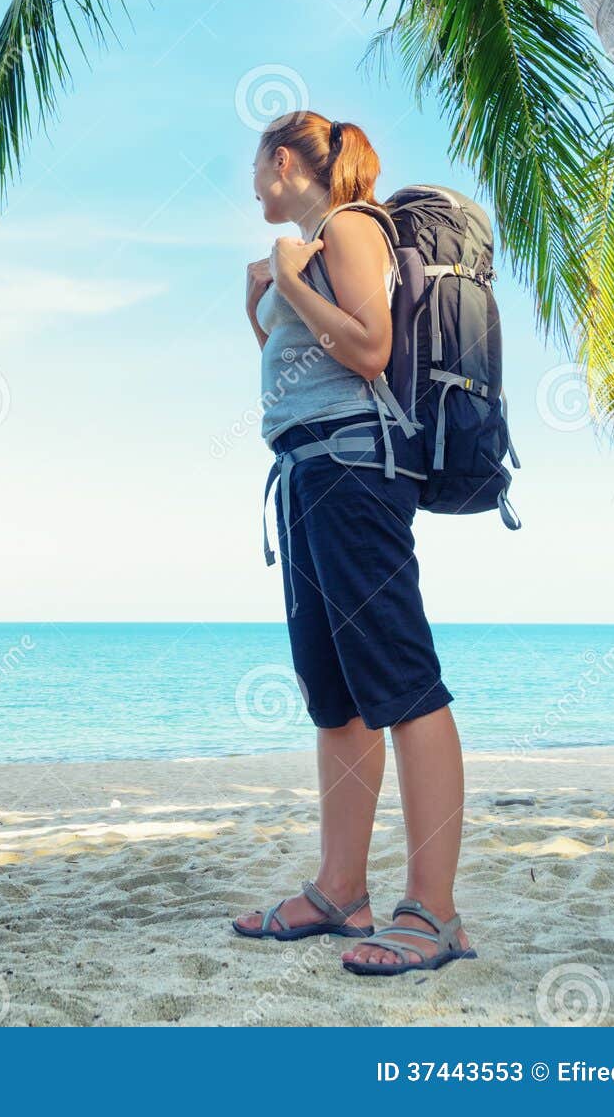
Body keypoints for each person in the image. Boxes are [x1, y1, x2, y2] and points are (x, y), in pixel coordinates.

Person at [232, 111, 475, 975]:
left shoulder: (350, 226)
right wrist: (262, 311)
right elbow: (315, 358)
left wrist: (292, 281)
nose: (251, 181)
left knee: (403, 683)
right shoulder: (311, 245)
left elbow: (370, 350)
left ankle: (434, 912)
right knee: (332, 695)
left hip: (354, 469)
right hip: (307, 471)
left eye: (255, 164)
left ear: (284, 160)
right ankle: (342, 892)